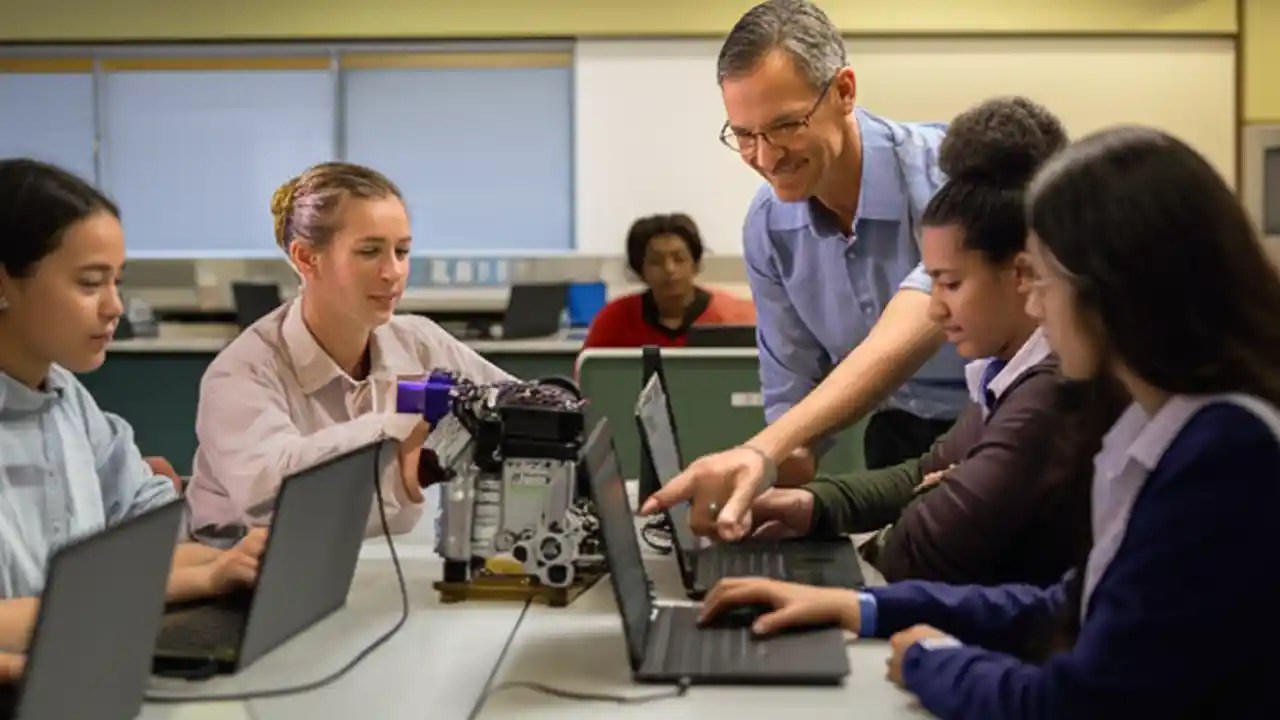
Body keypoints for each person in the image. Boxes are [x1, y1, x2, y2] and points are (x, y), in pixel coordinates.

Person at [698, 127, 1280, 718]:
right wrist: (861, 607)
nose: (1035, 305)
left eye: (1044, 281)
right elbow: (1066, 604)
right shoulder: (1162, 428)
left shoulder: (1226, 454)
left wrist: (933, 661)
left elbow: (1078, 704)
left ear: (1113, 287)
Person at [749, 96, 1126, 587]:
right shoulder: (1006, 377)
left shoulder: (1045, 398)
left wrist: (933, 498)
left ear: (1020, 274)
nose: (934, 308)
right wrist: (809, 506)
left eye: (950, 283)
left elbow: (916, 551)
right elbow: (924, 470)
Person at [0, 158, 266, 652]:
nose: (115, 306)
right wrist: (201, 579)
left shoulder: (67, 402)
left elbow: (146, 546)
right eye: (89, 283)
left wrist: (236, 558)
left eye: (117, 280)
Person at [712, 0, 972, 488]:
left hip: (1001, 421)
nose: (766, 157)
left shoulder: (946, 171)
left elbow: (921, 319)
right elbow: (793, 401)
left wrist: (764, 449)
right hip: (898, 434)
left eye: (786, 125)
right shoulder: (768, 228)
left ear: (844, 92)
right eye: (745, 135)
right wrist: (753, 489)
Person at [184, 162, 512, 546]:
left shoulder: (419, 341)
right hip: (243, 583)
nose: (393, 272)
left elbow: (517, 406)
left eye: (402, 251)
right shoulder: (242, 373)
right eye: (370, 251)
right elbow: (271, 496)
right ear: (307, 258)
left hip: (371, 564)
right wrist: (395, 429)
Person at [581, 213, 755, 349]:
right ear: (639, 270)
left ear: (696, 264)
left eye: (679, 259)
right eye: (656, 261)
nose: (669, 269)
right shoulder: (612, 322)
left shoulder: (737, 318)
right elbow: (588, 383)